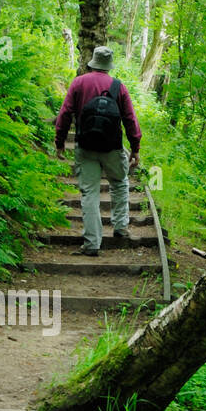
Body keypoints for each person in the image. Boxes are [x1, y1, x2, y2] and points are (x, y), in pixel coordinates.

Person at [54, 45, 141, 256]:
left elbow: (65, 114)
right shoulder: (118, 86)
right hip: (112, 147)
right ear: (109, 65)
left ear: (92, 61)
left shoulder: (79, 82)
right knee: (119, 183)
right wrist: (135, 148)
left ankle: (92, 244)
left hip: (85, 147)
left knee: (89, 193)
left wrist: (60, 142)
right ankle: (120, 227)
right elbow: (130, 119)